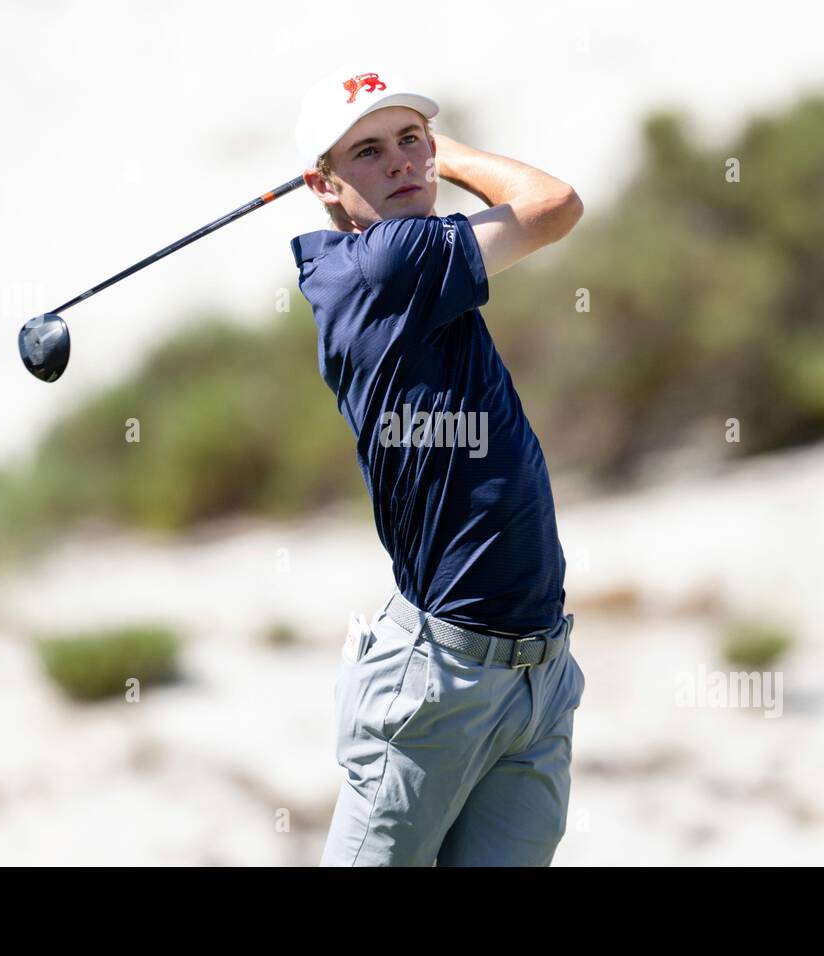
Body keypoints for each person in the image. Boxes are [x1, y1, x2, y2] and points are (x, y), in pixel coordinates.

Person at [290, 63, 587, 866]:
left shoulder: (407, 266)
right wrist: (445, 155)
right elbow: (555, 203)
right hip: (437, 688)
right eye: (368, 153)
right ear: (322, 184)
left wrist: (414, 157)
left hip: (537, 673)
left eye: (410, 140)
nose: (398, 163)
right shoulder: (392, 262)